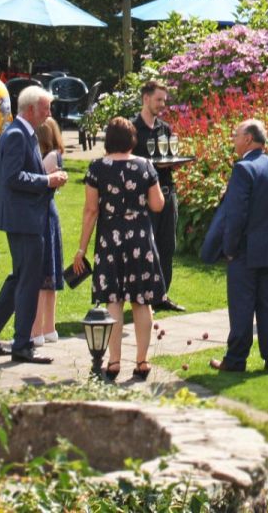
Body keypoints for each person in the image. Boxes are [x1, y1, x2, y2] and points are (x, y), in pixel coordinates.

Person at [0, 86, 69, 365]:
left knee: (20, 277)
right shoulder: (17, 134)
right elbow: (13, 178)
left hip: (25, 216)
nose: (49, 113)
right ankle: (22, 345)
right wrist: (47, 181)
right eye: (45, 108)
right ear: (30, 109)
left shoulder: (23, 133)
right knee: (29, 281)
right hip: (23, 219)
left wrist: (46, 179)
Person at [76, 117, 166, 381]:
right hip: (140, 238)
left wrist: (81, 249)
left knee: (113, 300)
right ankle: (142, 360)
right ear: (132, 140)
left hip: (110, 240)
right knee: (142, 300)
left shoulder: (97, 168)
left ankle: (114, 362)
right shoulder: (146, 166)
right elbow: (158, 205)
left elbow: (91, 210)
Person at [200, 119, 268, 374]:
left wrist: (229, 249)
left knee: (242, 306)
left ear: (248, 138)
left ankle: (236, 360)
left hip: (245, 250)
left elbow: (236, 215)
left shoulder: (243, 169)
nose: (234, 140)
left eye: (236, 135)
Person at [133, 79, 184, 312]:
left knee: (167, 246)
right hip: (144, 198)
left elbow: (171, 157)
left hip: (167, 193)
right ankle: (145, 295)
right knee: (146, 247)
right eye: (158, 100)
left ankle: (162, 295)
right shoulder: (133, 129)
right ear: (146, 98)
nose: (162, 104)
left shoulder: (165, 129)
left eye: (164, 100)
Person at [30, 117, 66, 346]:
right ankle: (48, 327)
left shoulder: (50, 156)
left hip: (42, 214)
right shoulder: (54, 155)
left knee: (42, 273)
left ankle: (37, 330)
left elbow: (36, 180)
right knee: (49, 273)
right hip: (48, 214)